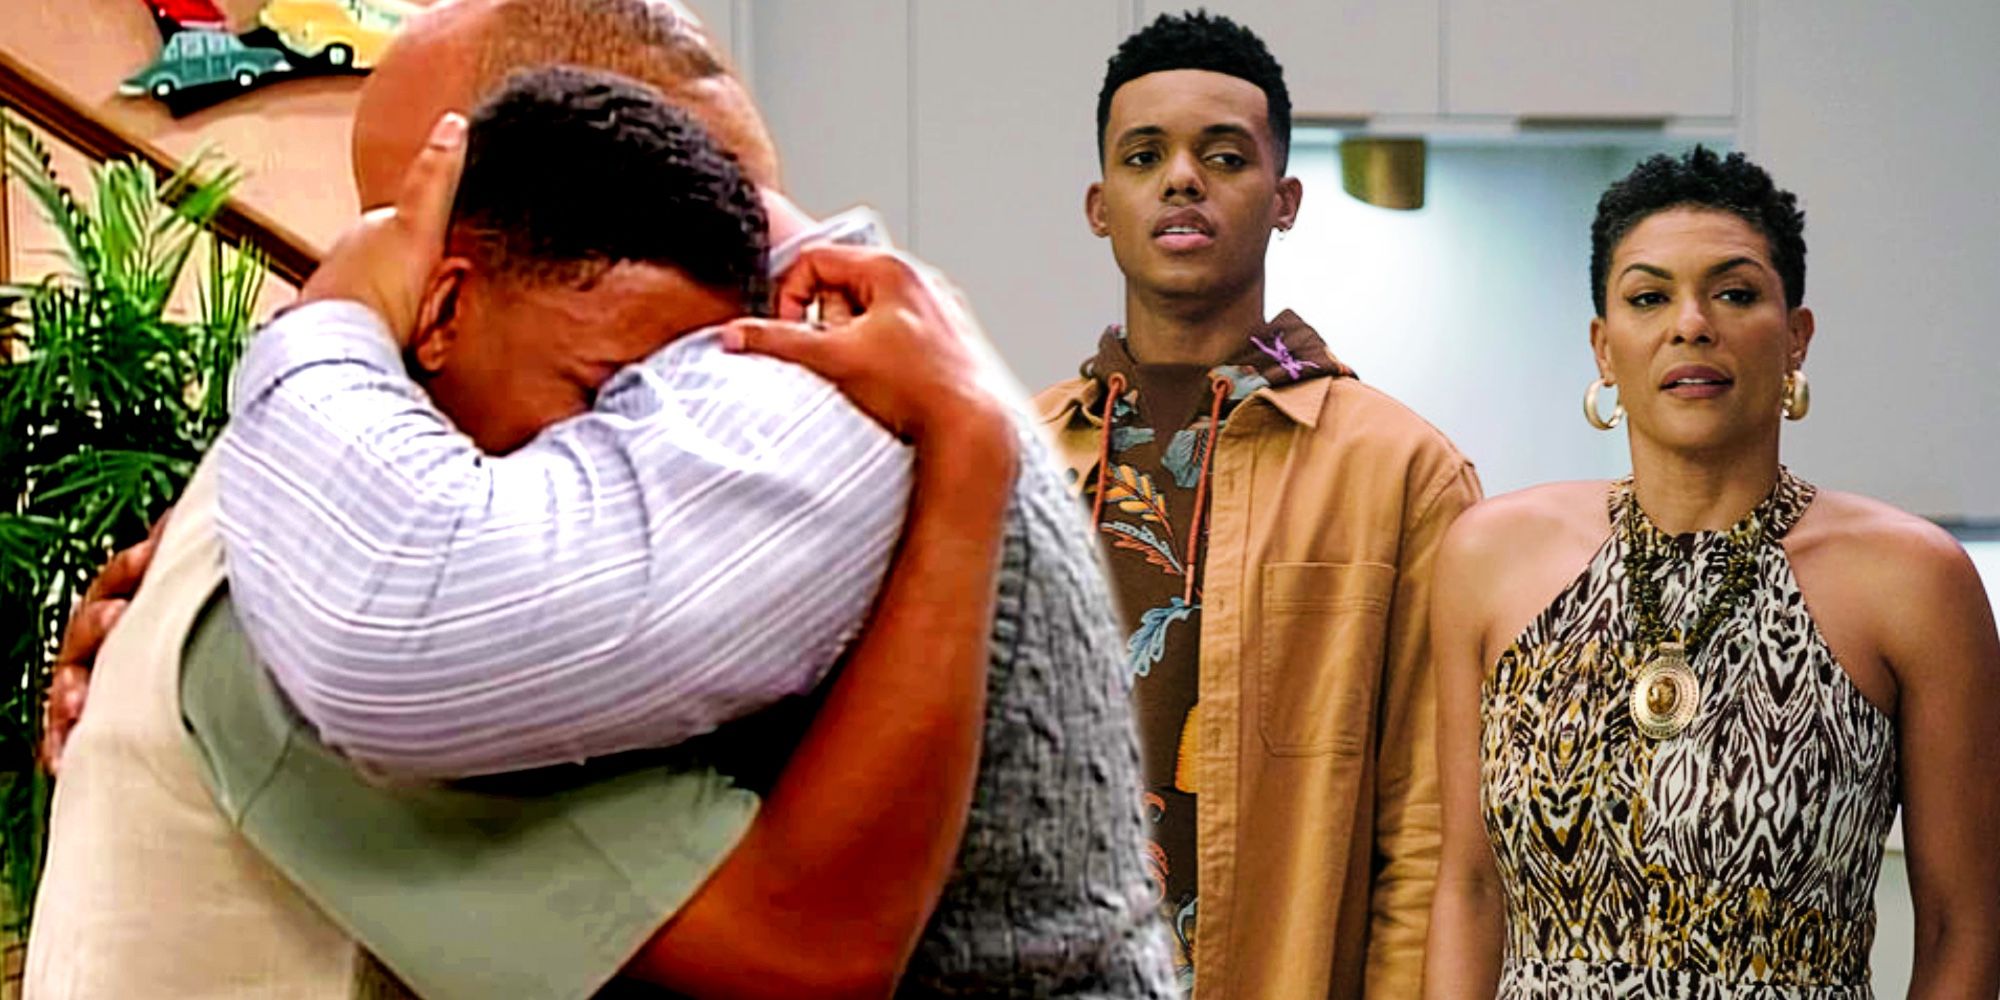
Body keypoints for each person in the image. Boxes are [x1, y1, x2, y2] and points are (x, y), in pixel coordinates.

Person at [32, 3, 1172, 996]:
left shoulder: (798, 414)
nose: (403, 315)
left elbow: (803, 949)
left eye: (417, 222)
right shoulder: (867, 366)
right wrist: (204, 558)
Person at [1422, 147, 2000, 997]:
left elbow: (1963, 927)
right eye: (1648, 297)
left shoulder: (1912, 579)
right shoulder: (1490, 556)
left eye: (1734, 293)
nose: (1691, 324)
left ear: (1796, 337)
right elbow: (1468, 889)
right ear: (1604, 348)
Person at [1033, 11, 1479, 999]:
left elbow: (1430, 832)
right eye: (1143, 156)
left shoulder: (1400, 471)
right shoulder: (1014, 457)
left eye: (1223, 156)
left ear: (1284, 200)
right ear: (1100, 206)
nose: (1181, 179)